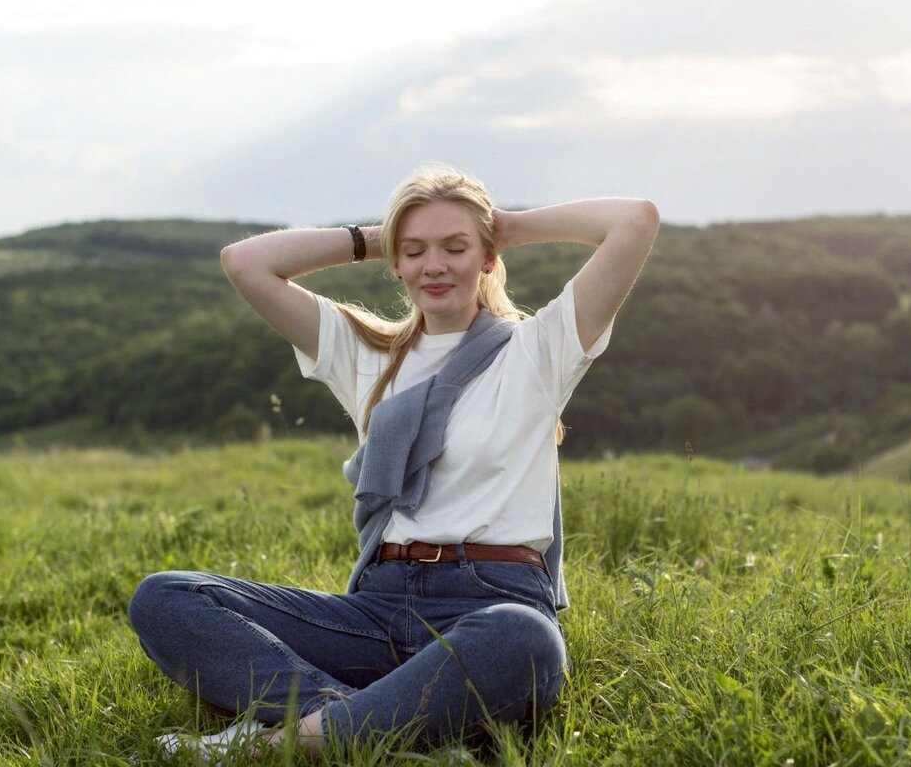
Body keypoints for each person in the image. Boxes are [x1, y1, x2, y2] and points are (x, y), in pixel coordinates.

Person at [127, 164, 659, 759]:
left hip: (491, 601)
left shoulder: (538, 349)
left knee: (525, 639)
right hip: (378, 607)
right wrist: (379, 237)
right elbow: (245, 262)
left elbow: (634, 221)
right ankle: (371, 726)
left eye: (456, 248)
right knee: (166, 598)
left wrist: (501, 226)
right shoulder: (365, 353)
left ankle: (278, 743)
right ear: (397, 265)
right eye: (416, 252)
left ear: (487, 259)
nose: (435, 265)